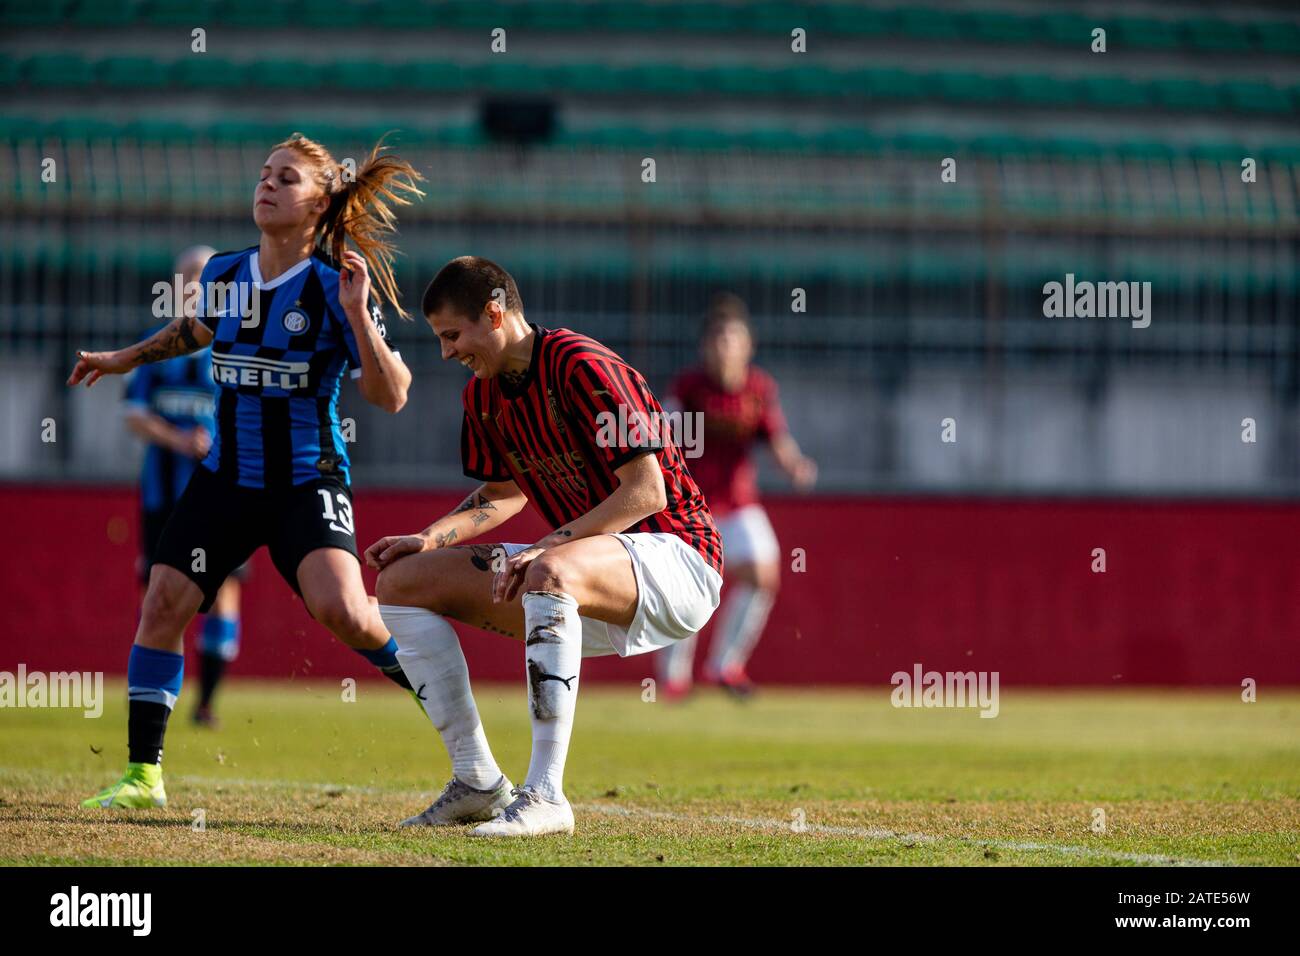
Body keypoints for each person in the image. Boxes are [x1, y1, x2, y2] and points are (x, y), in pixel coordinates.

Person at [68, 133, 424, 808]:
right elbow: (190, 335)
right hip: (227, 478)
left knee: (345, 611)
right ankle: (145, 775)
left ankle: (454, 720)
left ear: (319, 204)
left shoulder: (332, 287)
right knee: (165, 601)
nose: (266, 184)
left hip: (304, 480)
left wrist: (359, 316)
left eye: (285, 178)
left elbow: (392, 393)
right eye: (263, 173)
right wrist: (122, 359)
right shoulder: (226, 275)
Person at [368, 256, 723, 836]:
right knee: (401, 582)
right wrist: (426, 538)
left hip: (678, 561)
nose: (446, 353)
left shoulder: (581, 366)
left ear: (494, 312)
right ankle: (477, 781)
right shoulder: (482, 399)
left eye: (452, 335)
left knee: (549, 569)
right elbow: (503, 494)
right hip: (577, 575)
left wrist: (547, 546)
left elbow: (647, 491)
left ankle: (546, 796)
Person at [657, 293, 816, 699]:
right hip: (693, 506)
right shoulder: (691, 387)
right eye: (718, 340)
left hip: (740, 501)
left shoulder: (758, 388)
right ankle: (674, 677)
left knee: (764, 576)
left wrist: (795, 465)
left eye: (733, 339)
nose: (725, 347)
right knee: (688, 588)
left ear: (748, 345)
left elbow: (776, 437)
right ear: (705, 346)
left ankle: (725, 665)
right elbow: (665, 430)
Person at [123, 245, 246, 728]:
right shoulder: (155, 347)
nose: (199, 284)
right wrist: (177, 438)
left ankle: (207, 703)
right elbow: (132, 414)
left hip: (226, 493)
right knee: (158, 597)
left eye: (208, 276)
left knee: (227, 589)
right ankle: (156, 701)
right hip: (162, 493)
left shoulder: (237, 345)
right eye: (190, 276)